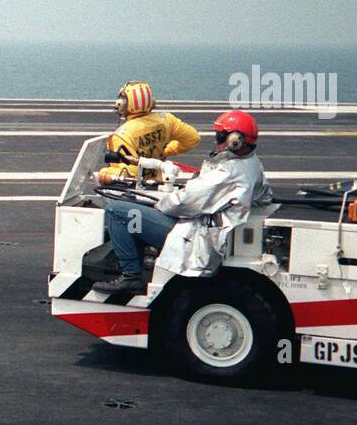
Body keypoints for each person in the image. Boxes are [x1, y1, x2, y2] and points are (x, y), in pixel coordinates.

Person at [94, 110, 271, 294]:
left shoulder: (227, 172)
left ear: (235, 140)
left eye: (220, 136)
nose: (216, 140)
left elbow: (184, 203)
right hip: (207, 225)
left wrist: (158, 201)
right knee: (136, 213)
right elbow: (264, 195)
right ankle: (140, 263)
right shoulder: (251, 163)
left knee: (117, 211)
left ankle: (130, 275)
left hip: (195, 233)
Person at [96, 81, 200, 183]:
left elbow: (130, 172)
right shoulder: (167, 119)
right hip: (158, 184)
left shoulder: (121, 136)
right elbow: (192, 138)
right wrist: (164, 151)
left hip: (135, 194)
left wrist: (105, 173)